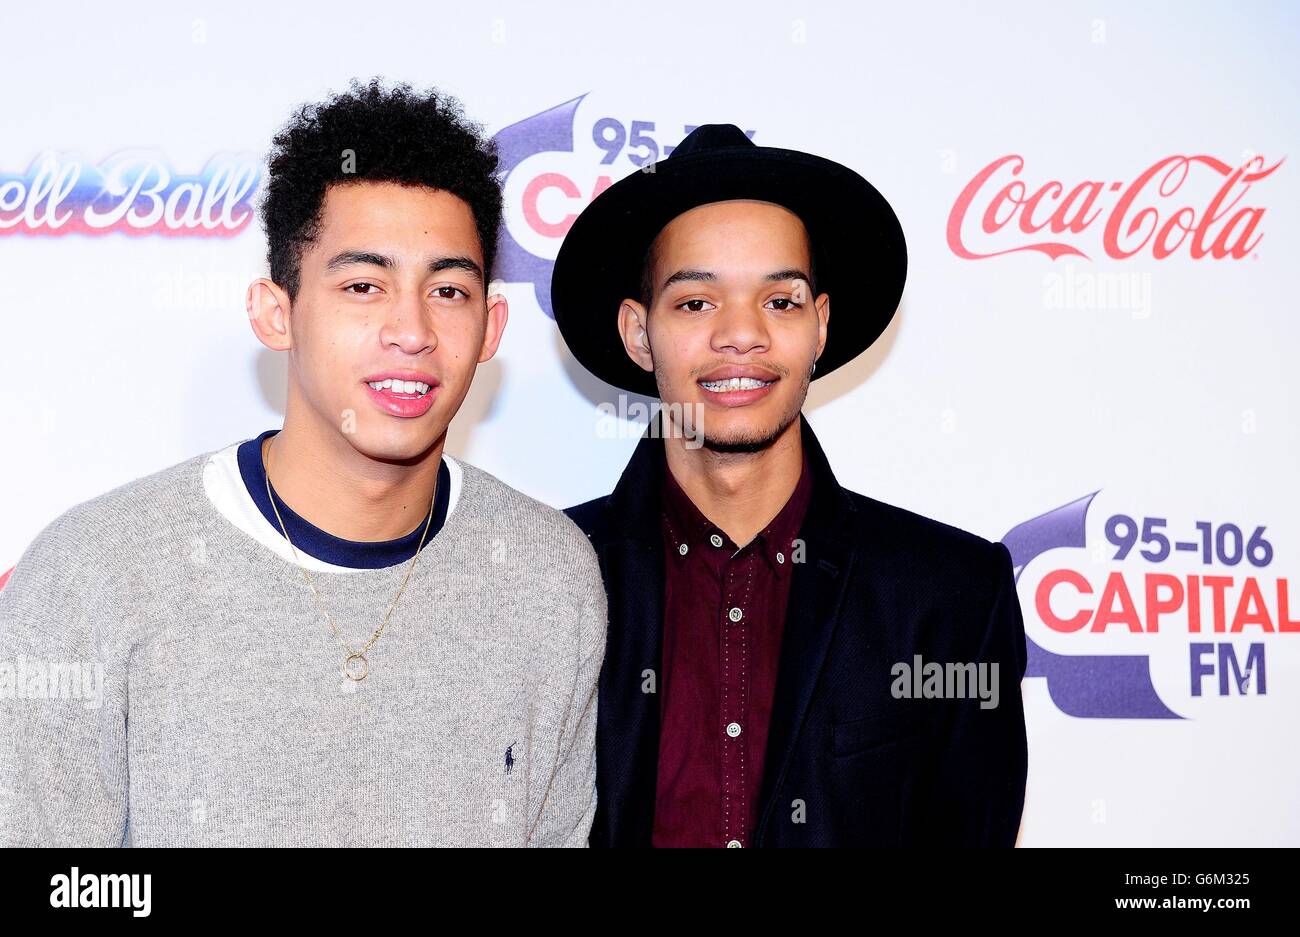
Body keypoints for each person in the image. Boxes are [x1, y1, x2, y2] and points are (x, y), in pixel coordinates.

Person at [0, 79, 605, 847]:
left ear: (491, 327)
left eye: (448, 289)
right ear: (275, 312)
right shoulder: (94, 571)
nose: (411, 329)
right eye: (363, 285)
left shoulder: (549, 574)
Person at [553, 124, 1027, 847]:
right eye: (696, 302)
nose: (742, 334)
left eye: (780, 301)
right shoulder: (543, 576)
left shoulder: (951, 595)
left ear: (820, 326)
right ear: (639, 334)